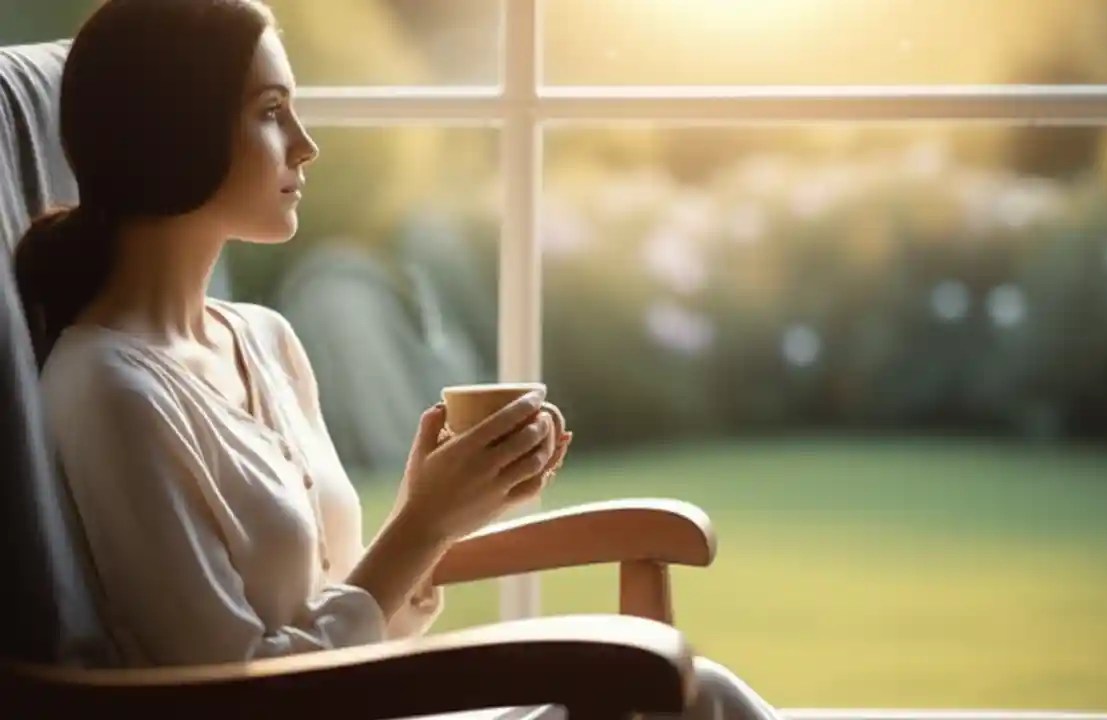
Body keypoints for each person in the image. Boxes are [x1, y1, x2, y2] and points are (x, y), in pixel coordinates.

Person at [13, 2, 781, 718]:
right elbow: (244, 693)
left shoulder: (264, 338)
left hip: (384, 702)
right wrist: (421, 524)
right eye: (272, 112)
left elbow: (345, 616)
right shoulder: (107, 390)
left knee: (692, 693)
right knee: (686, 694)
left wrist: (443, 514)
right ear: (174, 131)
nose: (307, 144)